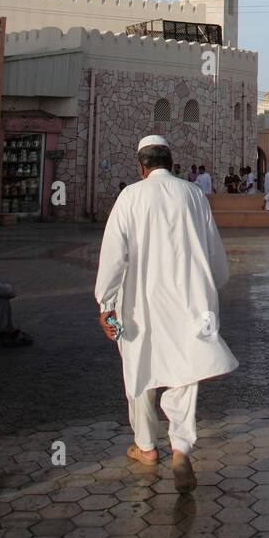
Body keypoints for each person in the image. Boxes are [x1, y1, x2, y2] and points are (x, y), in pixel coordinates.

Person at [94, 134, 238, 491]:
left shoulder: (130, 197)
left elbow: (114, 255)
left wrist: (106, 303)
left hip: (139, 305)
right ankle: (180, 448)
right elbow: (214, 254)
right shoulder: (193, 195)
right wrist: (214, 283)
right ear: (171, 164)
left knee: (139, 372)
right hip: (188, 303)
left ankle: (145, 447)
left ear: (141, 167)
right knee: (185, 372)